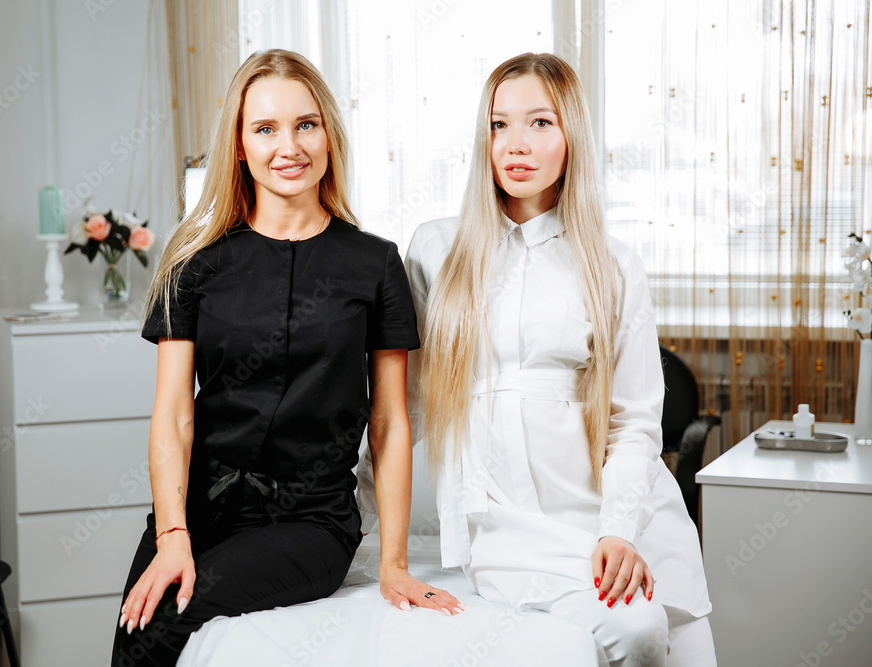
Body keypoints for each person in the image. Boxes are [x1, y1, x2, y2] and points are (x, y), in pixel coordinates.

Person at [359, 52, 715, 666]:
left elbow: (634, 421)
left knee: (686, 650)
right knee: (635, 629)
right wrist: (345, 516)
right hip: (513, 530)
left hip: (626, 519)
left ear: (572, 135)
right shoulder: (436, 249)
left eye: (540, 123)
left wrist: (619, 530)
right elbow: (402, 408)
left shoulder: (613, 262)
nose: (515, 143)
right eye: (499, 125)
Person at [112, 49, 460, 667]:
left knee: (165, 623)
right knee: (133, 637)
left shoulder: (375, 264)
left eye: (306, 125)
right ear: (239, 147)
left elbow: (389, 422)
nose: (289, 147)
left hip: (310, 521)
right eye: (266, 128)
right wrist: (173, 535)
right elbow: (173, 416)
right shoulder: (193, 261)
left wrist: (394, 563)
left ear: (328, 134)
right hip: (200, 508)